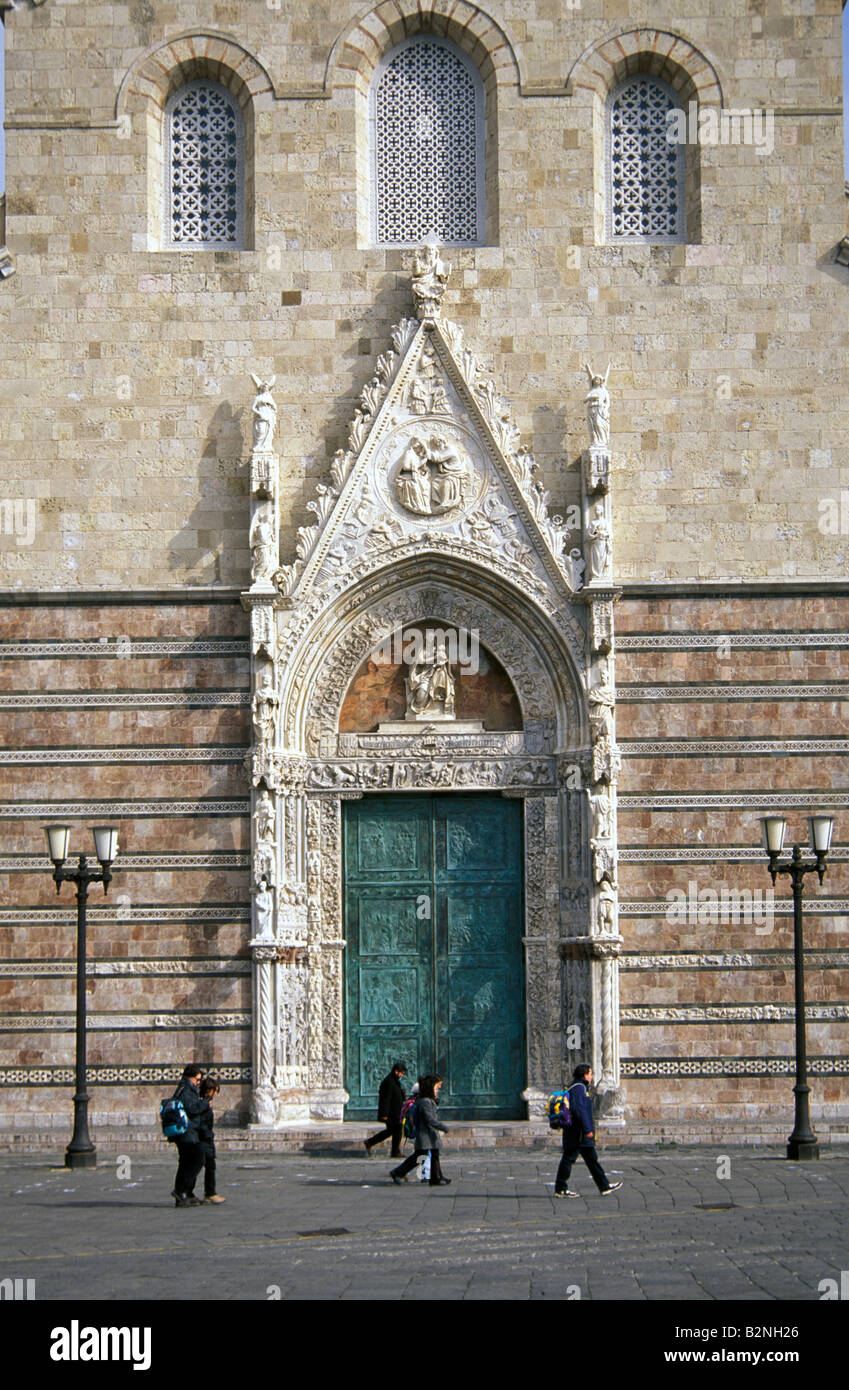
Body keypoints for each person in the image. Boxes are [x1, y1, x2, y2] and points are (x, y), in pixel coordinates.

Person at [554, 1064, 622, 1199]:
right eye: (590, 1074)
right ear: (584, 1075)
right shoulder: (579, 1088)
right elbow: (580, 1110)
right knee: (569, 1159)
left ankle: (604, 1186)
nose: (591, 1077)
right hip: (578, 1133)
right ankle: (561, 1188)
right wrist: (587, 1130)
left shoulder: (577, 1086)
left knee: (591, 1160)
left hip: (577, 1133)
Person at [390, 1074, 451, 1187]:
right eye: (436, 1087)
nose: (438, 1090)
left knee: (434, 1154)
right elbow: (430, 1119)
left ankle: (436, 1177)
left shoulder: (427, 1100)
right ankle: (398, 1172)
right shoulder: (425, 1102)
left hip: (430, 1134)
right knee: (419, 1156)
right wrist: (443, 1127)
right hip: (426, 1134)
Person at [170, 1064, 212, 1208]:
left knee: (186, 1162)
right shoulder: (186, 1090)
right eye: (197, 1079)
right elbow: (192, 1109)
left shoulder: (185, 1088)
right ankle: (181, 1190)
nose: (198, 1082)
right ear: (190, 1077)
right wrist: (205, 1104)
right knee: (197, 1159)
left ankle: (184, 1194)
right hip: (186, 1132)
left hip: (187, 1131)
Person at [363, 1062, 407, 1157]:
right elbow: (385, 1099)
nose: (402, 1075)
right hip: (391, 1113)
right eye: (401, 1073)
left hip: (396, 1112)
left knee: (396, 1131)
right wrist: (384, 1114)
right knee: (392, 1131)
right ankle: (371, 1142)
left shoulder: (395, 1081)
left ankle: (394, 1151)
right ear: (396, 1071)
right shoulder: (389, 1082)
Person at [198, 1076, 225, 1204]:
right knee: (206, 1165)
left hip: (205, 1137)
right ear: (210, 1090)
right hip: (204, 1139)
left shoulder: (204, 1102)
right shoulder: (203, 1103)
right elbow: (202, 1122)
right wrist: (207, 1135)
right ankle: (209, 1193)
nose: (216, 1094)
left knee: (207, 1165)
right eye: (215, 1091)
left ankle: (209, 1192)